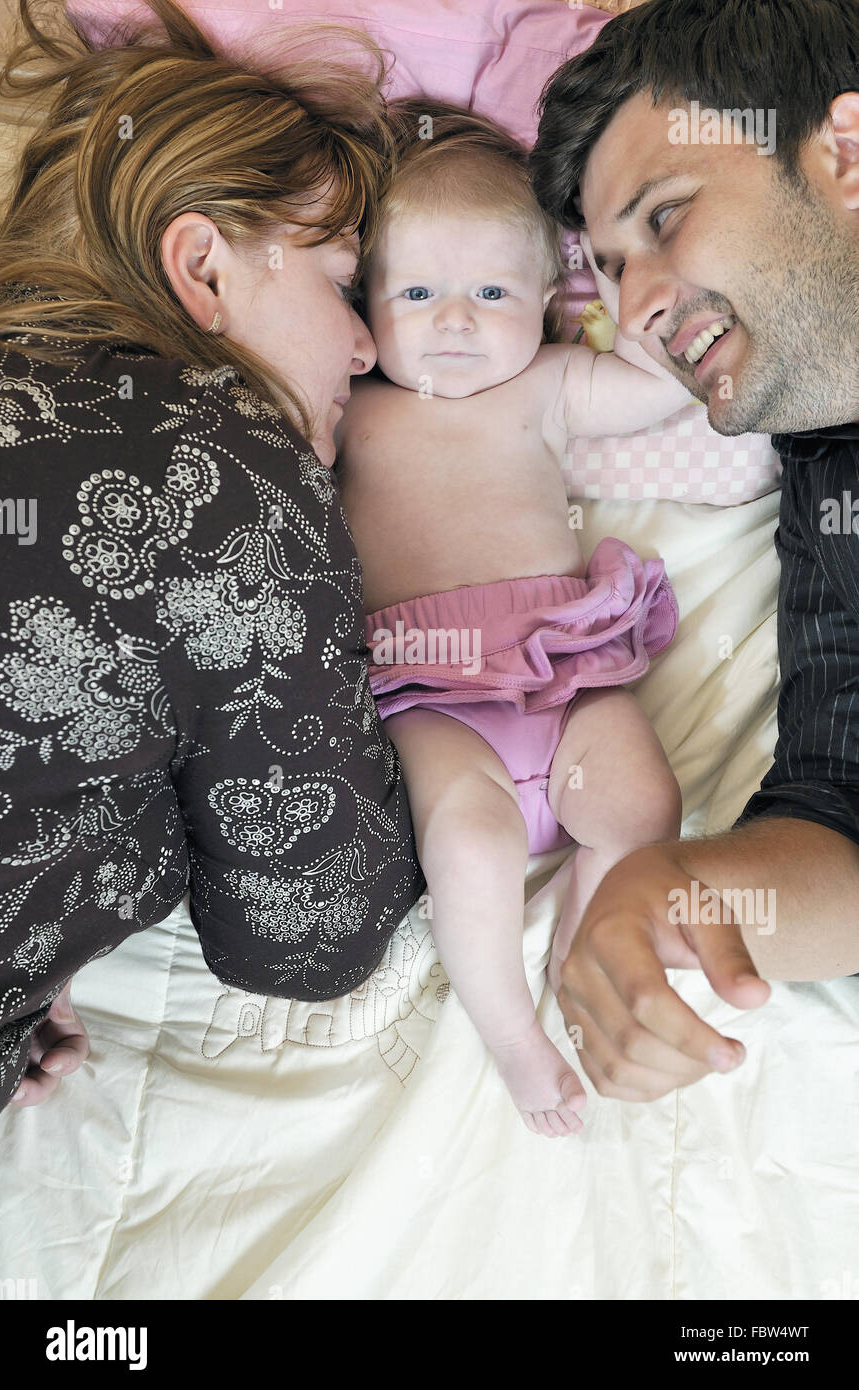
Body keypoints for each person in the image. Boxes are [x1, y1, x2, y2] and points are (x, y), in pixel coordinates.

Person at [0, 0, 426, 1118]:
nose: (371, 346)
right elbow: (308, 937)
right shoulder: (222, 469)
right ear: (202, 267)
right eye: (341, 282)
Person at [335, 101, 695, 1137]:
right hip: (434, 689)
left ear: (546, 299)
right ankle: (510, 1030)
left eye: (490, 291)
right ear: (363, 308)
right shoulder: (353, 405)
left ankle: (591, 926)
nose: (453, 321)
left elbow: (649, 391)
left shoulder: (543, 384)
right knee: (469, 845)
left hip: (564, 669)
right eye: (416, 292)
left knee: (641, 804)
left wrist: (632, 314)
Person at [528, 0, 859, 1105]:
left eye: (663, 218)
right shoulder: (825, 480)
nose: (636, 313)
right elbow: (835, 822)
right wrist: (670, 889)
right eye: (609, 270)